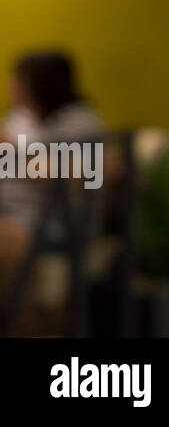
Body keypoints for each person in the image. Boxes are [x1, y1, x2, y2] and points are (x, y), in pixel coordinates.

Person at [0, 53, 103, 319]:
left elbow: (58, 175)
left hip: (57, 226)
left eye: (18, 80)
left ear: (40, 83)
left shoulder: (79, 122)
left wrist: (9, 148)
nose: (11, 85)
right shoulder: (26, 118)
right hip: (20, 217)